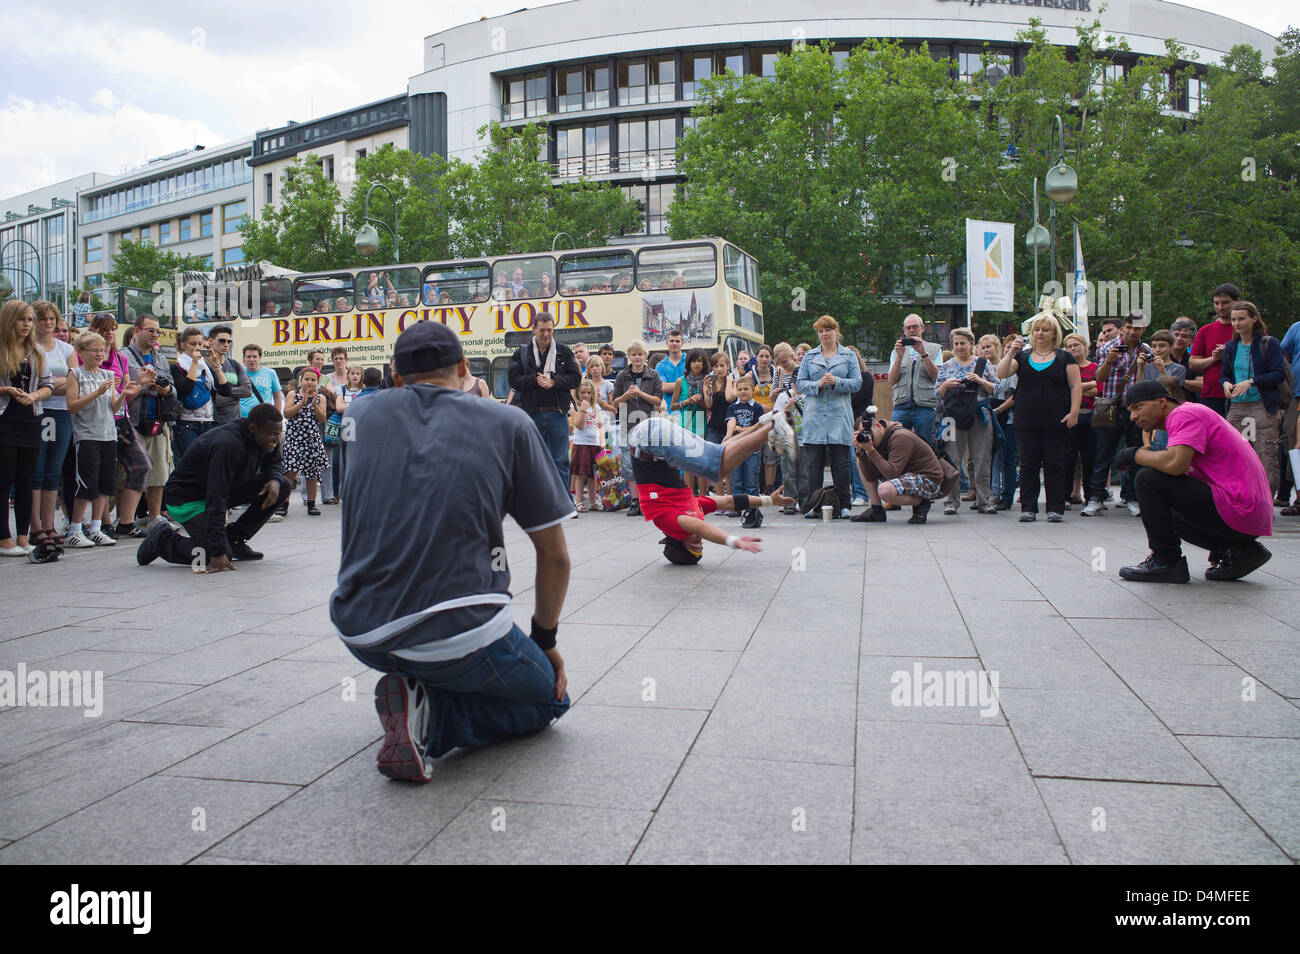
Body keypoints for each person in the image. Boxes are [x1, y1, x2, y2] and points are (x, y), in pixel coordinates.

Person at [331, 321, 573, 782]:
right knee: (549, 700)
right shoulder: (508, 422)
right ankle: (434, 721)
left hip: (360, 630)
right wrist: (546, 642)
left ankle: (415, 691)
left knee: (437, 662)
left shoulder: (358, 416)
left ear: (396, 377)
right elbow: (556, 555)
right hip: (460, 632)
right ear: (465, 369)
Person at [1117, 380, 1272, 582]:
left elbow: (1175, 464)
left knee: (1148, 479)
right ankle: (1240, 551)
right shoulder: (1189, 413)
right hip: (1250, 513)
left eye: (1138, 407)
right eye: (1130, 410)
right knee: (1164, 505)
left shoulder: (1184, 415)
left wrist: (1133, 454)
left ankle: (1166, 561)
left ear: (1162, 402)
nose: (1133, 416)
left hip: (1241, 508)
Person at [628, 410, 796, 564]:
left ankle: (773, 429)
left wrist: (732, 541)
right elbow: (729, 502)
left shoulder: (671, 524)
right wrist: (768, 500)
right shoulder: (694, 511)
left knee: (718, 469)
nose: (699, 541)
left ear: (679, 543)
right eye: (700, 546)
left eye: (693, 546)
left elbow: (700, 527)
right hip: (653, 441)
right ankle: (764, 423)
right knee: (719, 452)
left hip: (647, 442)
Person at [137, 403, 290, 571]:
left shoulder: (263, 438)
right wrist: (218, 552)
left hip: (219, 490)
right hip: (186, 499)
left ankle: (235, 539)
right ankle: (162, 540)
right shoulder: (228, 445)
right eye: (273, 434)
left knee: (282, 485)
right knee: (217, 554)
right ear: (253, 428)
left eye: (279, 433)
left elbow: (275, 462)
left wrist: (275, 479)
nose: (277, 440)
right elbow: (216, 497)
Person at [997, 318, 1081, 522]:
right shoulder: (1022, 357)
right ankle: (1028, 507)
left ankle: (1055, 508)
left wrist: (1074, 412)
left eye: (1045, 330)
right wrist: (1010, 352)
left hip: (1057, 419)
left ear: (1054, 333)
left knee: (1055, 464)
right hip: (1026, 420)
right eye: (1037, 330)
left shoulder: (1065, 357)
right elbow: (1001, 373)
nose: (1040, 333)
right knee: (1028, 465)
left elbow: (1076, 386)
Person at [63, 332, 140, 547]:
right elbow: (72, 406)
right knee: (86, 483)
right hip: (87, 435)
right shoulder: (75, 374)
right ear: (80, 353)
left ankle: (97, 527)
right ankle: (75, 528)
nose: (99, 354)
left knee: (106, 484)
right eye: (94, 350)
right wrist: (97, 392)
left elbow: (114, 407)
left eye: (101, 350)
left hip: (108, 435)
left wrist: (124, 392)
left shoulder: (106, 374)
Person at [1082, 311, 1153, 517]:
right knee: (1103, 453)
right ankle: (1095, 497)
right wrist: (1108, 361)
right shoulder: (1107, 347)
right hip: (1111, 408)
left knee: (1134, 454)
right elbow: (1099, 378)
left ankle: (1131, 497)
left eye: (1137, 328)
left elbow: (1144, 381)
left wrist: (1141, 365)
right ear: (1123, 327)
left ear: (1143, 329)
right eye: (1129, 327)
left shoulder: (1146, 350)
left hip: (1136, 410)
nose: (1132, 332)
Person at [0, 300, 54, 556]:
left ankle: (22, 535)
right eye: (22, 319)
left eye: (29, 320)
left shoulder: (35, 352)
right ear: (10, 321)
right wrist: (6, 389)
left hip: (31, 418)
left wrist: (35, 396)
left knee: (26, 479)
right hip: (5, 419)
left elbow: (48, 385)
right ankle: (4, 537)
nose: (27, 325)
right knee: (4, 479)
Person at [508, 313, 582, 495]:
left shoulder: (564, 351)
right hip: (531, 414)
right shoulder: (521, 353)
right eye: (542, 330)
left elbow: (575, 379)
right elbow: (513, 380)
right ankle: (538, 502)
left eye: (550, 330)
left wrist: (554, 381)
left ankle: (565, 501)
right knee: (533, 461)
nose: (546, 334)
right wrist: (535, 379)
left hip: (557, 413)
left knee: (561, 460)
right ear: (533, 329)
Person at [798, 315, 862, 518]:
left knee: (841, 463)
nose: (824, 334)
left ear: (836, 330)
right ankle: (812, 505)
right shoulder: (810, 357)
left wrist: (837, 381)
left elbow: (857, 383)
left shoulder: (848, 356)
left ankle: (844, 505)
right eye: (820, 331)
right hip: (815, 415)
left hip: (839, 415)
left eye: (827, 329)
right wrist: (815, 385)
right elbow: (800, 384)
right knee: (814, 463)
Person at [1221, 300, 1286, 497]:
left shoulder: (1269, 343)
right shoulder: (1231, 346)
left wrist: (1252, 381)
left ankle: (1265, 498)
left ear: (1254, 319)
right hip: (1236, 406)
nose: (1237, 323)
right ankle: (1238, 496)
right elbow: (1225, 374)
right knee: (1234, 453)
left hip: (1261, 405)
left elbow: (1278, 373)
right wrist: (1225, 384)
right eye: (1233, 319)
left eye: (1241, 319)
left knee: (1265, 454)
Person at [29, 301, 77, 547]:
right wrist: (57, 383)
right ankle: (35, 527)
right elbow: (32, 382)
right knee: (36, 471)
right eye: (43, 318)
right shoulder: (29, 347)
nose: (48, 323)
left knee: (53, 471)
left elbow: (76, 381)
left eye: (52, 318)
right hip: (36, 411)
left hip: (62, 412)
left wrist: (48, 384)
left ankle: (49, 525)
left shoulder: (66, 347)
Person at [123, 315, 177, 532]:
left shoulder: (160, 357)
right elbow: (122, 386)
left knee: (159, 471)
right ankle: (125, 519)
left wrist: (166, 389)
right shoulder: (123, 355)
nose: (155, 335)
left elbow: (172, 387)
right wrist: (142, 383)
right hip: (132, 420)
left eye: (158, 331)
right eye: (151, 330)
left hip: (156, 420)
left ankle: (154, 516)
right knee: (128, 472)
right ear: (137, 330)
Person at [937, 328, 1000, 515]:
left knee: (982, 458)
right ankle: (951, 501)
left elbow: (997, 389)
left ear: (972, 344)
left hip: (980, 414)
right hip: (952, 416)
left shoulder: (983, 363)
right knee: (951, 458)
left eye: (962, 343)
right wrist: (946, 385)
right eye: (955, 343)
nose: (959, 347)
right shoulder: (946, 366)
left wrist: (981, 381)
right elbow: (937, 394)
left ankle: (984, 500)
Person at [851, 416, 946, 524]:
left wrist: (871, 450)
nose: (868, 437)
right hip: (906, 476)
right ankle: (876, 510)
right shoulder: (877, 440)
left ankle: (922, 502)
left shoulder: (900, 437)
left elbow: (892, 474)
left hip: (929, 480)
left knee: (884, 490)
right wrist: (862, 453)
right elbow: (870, 477)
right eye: (862, 434)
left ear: (878, 426)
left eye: (868, 433)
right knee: (861, 460)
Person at [611, 340, 664, 517]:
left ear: (645, 356)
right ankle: (635, 501)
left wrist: (640, 393)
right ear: (629, 356)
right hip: (627, 422)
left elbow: (658, 401)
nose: (637, 357)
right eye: (633, 354)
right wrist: (627, 394)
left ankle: (647, 500)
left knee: (647, 462)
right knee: (629, 463)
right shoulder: (621, 376)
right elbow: (615, 403)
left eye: (640, 354)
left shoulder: (654, 375)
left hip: (647, 423)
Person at [886, 313, 943, 443]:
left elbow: (936, 377)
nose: (912, 330)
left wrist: (923, 353)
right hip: (901, 406)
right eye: (908, 327)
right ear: (904, 330)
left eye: (915, 327)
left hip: (925, 407)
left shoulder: (934, 349)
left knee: (926, 446)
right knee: (898, 444)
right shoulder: (896, 351)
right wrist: (899, 357)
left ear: (922, 328)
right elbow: (891, 381)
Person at [171, 328, 225, 464]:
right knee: (192, 464)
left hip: (209, 422)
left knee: (209, 464)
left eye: (200, 344)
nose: (197, 347)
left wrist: (216, 367)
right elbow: (186, 390)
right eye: (192, 344)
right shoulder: (177, 367)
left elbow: (226, 390)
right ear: (182, 345)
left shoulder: (206, 367)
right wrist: (194, 363)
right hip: (187, 424)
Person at [281, 367, 330, 516]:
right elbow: (287, 414)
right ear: (301, 380)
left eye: (313, 380)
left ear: (317, 382)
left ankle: (311, 504)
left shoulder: (321, 397)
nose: (309, 382)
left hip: (311, 438)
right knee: (290, 471)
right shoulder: (292, 394)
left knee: (312, 473)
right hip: (294, 437)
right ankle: (283, 504)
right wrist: (300, 404)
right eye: (307, 379)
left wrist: (314, 405)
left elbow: (322, 419)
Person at [1189, 283, 1241, 417]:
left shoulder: (1248, 328)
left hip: (1242, 394)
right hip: (1212, 394)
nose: (1220, 307)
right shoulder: (1205, 330)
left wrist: (1231, 353)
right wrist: (1214, 358)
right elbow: (1193, 364)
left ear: (1237, 302)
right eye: (1216, 303)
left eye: (1225, 303)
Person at [1062, 332, 1098, 508]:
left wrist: (1075, 388)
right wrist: (1088, 385)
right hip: (1071, 415)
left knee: (1089, 458)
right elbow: (1063, 390)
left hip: (1091, 416)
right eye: (1069, 346)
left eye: (1076, 345)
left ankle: (1091, 496)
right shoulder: (1065, 367)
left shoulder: (1095, 366)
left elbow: (1099, 389)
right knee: (1068, 457)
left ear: (1085, 346)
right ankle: (1066, 496)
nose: (1073, 349)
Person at [670, 349, 711, 495]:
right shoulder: (680, 381)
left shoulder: (707, 380)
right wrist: (688, 400)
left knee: (700, 461)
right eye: (694, 361)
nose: (697, 364)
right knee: (687, 463)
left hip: (701, 418)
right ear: (689, 363)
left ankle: (703, 496)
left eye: (700, 361)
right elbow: (673, 405)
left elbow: (709, 405)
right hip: (686, 419)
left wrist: (705, 395)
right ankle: (689, 495)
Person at [771, 343, 806, 512]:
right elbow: (776, 415)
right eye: (793, 382)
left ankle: (806, 502)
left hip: (805, 436)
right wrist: (786, 405)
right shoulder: (784, 394)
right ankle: (790, 502)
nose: (796, 384)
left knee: (805, 471)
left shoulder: (808, 395)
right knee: (788, 471)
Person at [569, 379, 603, 511]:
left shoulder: (596, 407)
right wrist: (583, 410)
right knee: (580, 474)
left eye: (588, 392)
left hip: (594, 444)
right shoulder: (574, 407)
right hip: (581, 443)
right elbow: (579, 425)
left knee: (593, 474)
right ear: (578, 393)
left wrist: (602, 441)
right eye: (583, 392)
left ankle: (593, 501)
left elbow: (600, 425)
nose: (585, 395)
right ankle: (579, 501)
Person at [206, 325, 252, 424]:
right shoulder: (204, 366)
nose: (226, 344)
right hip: (211, 423)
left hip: (234, 422)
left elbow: (247, 391)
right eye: (222, 341)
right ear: (211, 341)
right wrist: (235, 398)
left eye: (229, 341)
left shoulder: (235, 365)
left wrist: (223, 393)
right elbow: (209, 399)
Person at [1279, 317, 1300, 513]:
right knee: (1294, 444)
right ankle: (1299, 499)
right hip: (1297, 394)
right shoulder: (1296, 328)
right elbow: (1283, 359)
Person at [240, 344, 283, 416]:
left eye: (254, 356)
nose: (251, 359)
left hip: (264, 419)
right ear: (244, 358)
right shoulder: (239, 373)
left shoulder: (271, 373)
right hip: (243, 419)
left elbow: (277, 397)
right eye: (248, 357)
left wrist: (277, 416)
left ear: (260, 358)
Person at [1169, 317, 1204, 400]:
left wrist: (1176, 381)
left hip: (1189, 404)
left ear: (1191, 341)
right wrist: (1189, 383)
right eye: (1176, 335)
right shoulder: (1162, 358)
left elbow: (1201, 384)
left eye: (1184, 336)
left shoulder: (1192, 360)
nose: (1179, 338)